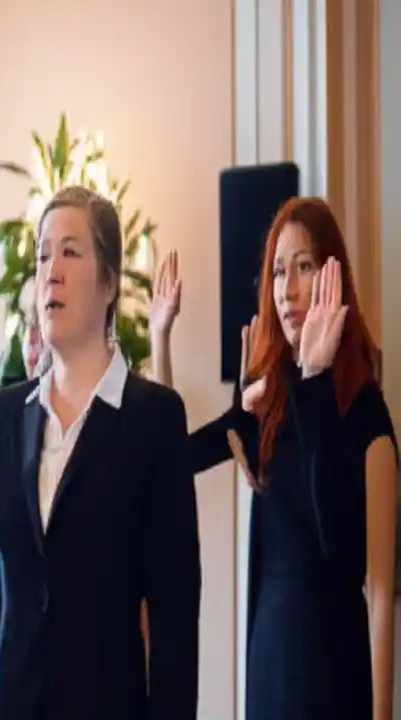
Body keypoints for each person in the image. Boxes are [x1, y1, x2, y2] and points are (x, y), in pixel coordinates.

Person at [0, 186, 201, 720]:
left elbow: (175, 619)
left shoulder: (153, 418)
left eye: (71, 251)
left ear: (110, 281)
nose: (51, 271)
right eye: (43, 255)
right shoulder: (9, 415)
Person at [150, 197, 398, 720]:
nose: (287, 291)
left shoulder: (363, 410)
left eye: (303, 267)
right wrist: (160, 337)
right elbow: (170, 456)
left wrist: (381, 712)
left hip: (334, 674)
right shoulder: (268, 402)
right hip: (268, 664)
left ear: (334, 276)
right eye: (278, 272)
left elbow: (375, 585)